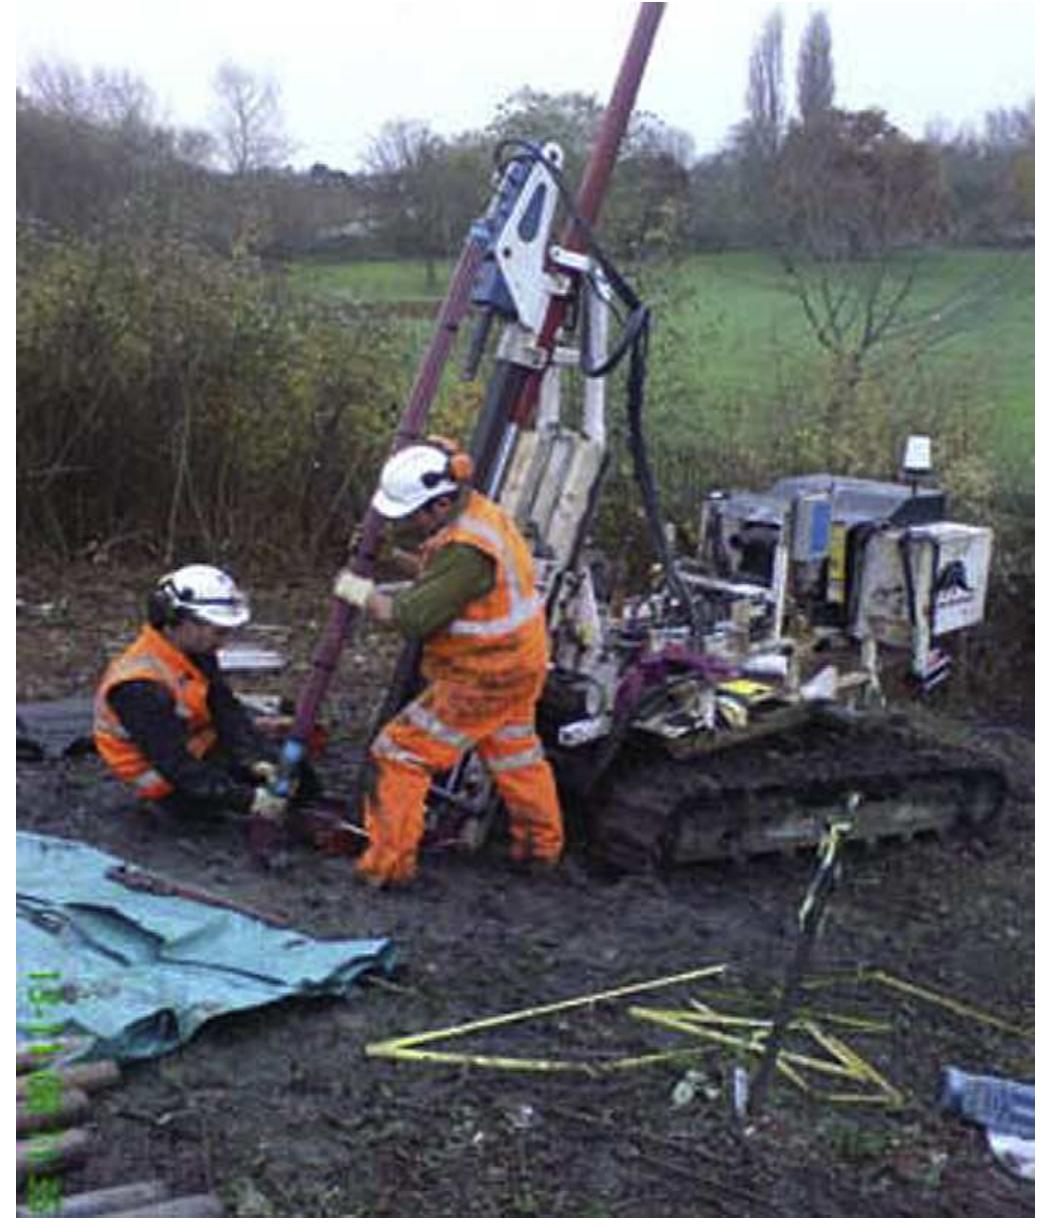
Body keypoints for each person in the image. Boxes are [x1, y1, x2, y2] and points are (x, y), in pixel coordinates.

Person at [333, 440, 564, 888]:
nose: (410, 525)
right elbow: (441, 577)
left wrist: (357, 591)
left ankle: (388, 866)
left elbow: (413, 616)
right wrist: (390, 558)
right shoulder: (477, 515)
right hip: (517, 663)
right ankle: (541, 849)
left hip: (483, 675)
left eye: (414, 516)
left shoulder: (467, 549)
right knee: (515, 754)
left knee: (399, 753)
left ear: (440, 502)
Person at [93, 564, 288, 824]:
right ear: (177, 621)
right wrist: (247, 800)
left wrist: (255, 758)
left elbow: (225, 709)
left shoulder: (194, 652)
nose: (224, 640)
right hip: (165, 781)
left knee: (291, 772)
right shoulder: (138, 686)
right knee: (219, 821)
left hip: (194, 749)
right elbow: (175, 765)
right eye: (218, 630)